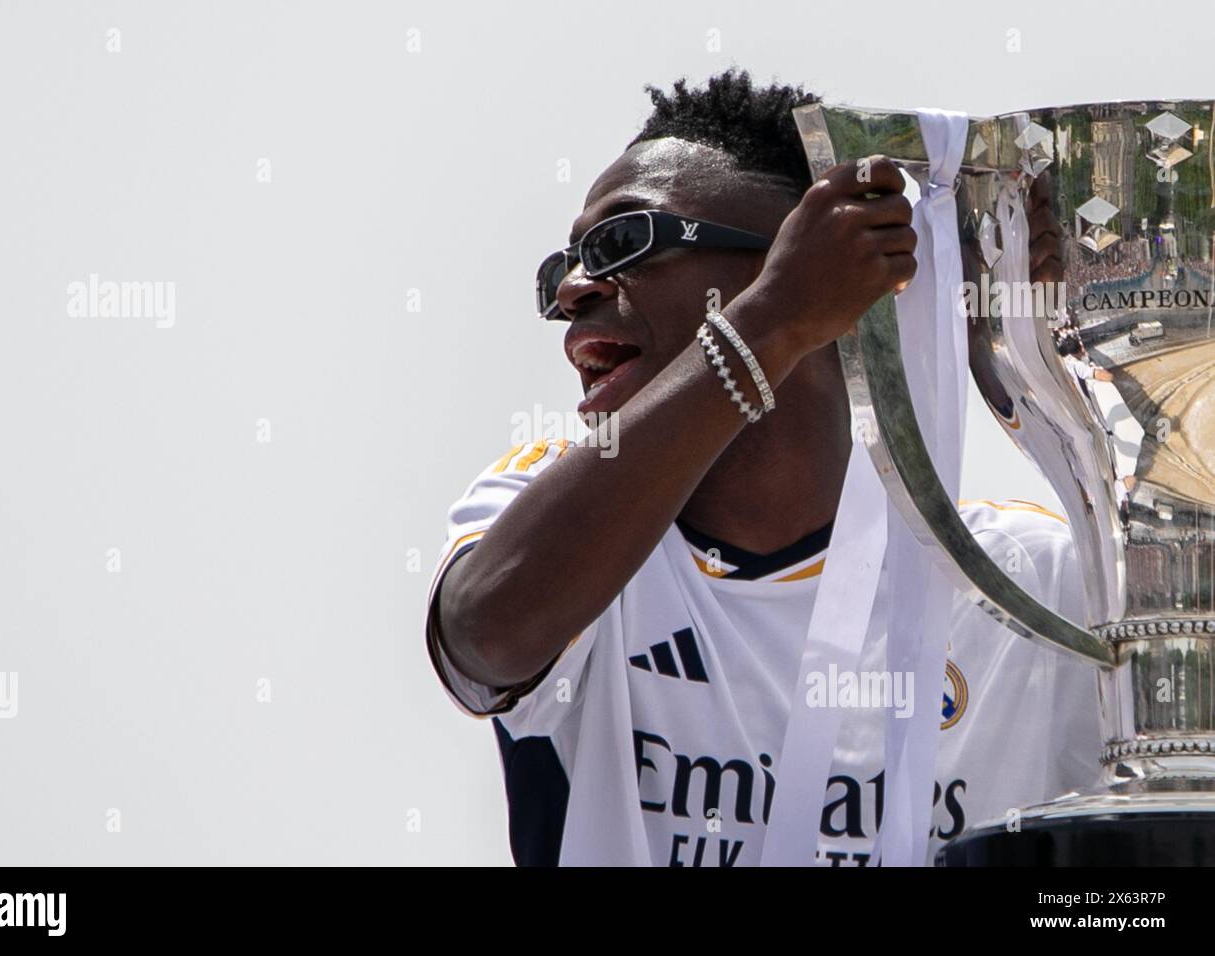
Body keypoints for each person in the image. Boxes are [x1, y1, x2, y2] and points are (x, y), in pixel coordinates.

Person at [425, 69, 1100, 866]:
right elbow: (485, 636)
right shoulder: (550, 515)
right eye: (562, 268)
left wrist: (1034, 365)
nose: (572, 289)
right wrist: (771, 326)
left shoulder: (1032, 581)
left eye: (622, 241)